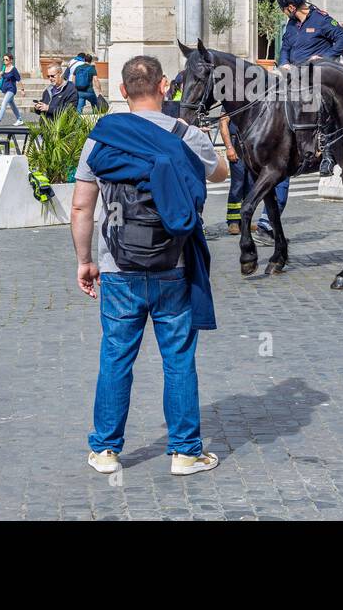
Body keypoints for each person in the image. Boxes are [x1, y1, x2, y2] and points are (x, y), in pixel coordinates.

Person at [70, 55, 229, 476]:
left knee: (116, 356)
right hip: (173, 265)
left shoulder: (101, 137)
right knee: (177, 357)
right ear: (165, 87)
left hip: (117, 266)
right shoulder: (187, 134)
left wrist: (85, 261)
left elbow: (81, 208)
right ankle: (185, 452)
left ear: (122, 91)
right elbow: (221, 173)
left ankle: (105, 450)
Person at [256, 0, 343, 234]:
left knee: (321, 109)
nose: (283, 12)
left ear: (290, 6)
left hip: (318, 78)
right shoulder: (290, 25)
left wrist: (324, 59)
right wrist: (284, 62)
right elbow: (286, 47)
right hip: (294, 78)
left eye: (283, 8)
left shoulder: (321, 19)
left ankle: (327, 152)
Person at [0, 54, 23, 125]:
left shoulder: (13, 69)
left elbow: (19, 80)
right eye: (4, 59)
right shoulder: (4, 68)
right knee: (12, 105)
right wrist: (1, 74)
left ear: (11, 60)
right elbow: (4, 78)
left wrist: (22, 90)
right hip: (6, 89)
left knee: (4, 103)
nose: (5, 61)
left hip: (11, 89)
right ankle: (19, 119)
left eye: (6, 59)